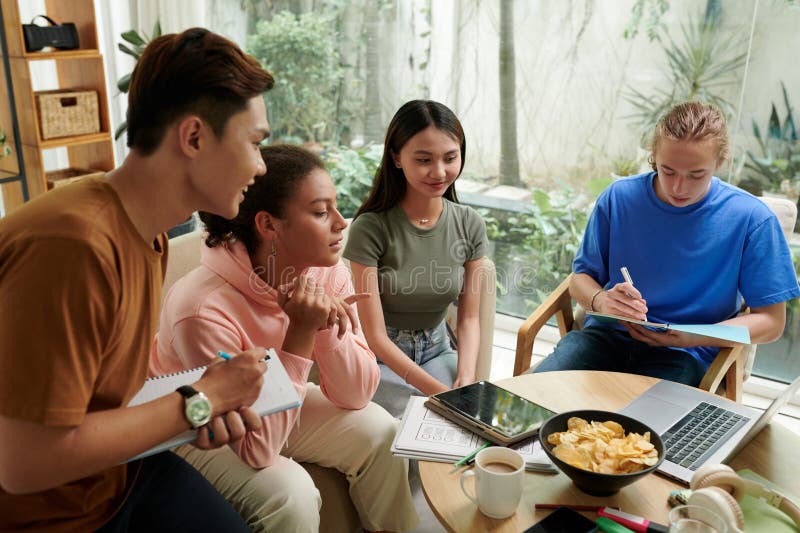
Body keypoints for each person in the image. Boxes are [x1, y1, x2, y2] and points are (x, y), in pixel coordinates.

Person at [0, 28, 276, 532]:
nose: (260, 167)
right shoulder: (74, 246)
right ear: (193, 137)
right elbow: (23, 464)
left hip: (118, 478)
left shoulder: (149, 233)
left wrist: (199, 407)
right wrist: (201, 401)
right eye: (255, 143)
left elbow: (99, 398)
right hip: (47, 515)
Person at [150, 144, 419, 532]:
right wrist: (301, 333)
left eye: (337, 207)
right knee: (290, 495)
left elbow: (357, 395)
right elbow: (258, 450)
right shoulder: (201, 310)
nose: (342, 223)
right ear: (268, 225)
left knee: (380, 430)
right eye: (321, 212)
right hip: (193, 423)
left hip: (266, 400)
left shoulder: (326, 271)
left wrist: (327, 332)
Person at [532, 101, 800, 385]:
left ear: (719, 163)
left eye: (696, 174)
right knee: (537, 396)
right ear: (653, 157)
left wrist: (694, 336)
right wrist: (601, 300)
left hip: (686, 354)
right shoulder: (619, 199)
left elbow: (771, 323)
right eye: (667, 170)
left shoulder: (752, 220)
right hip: (604, 340)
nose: (678, 188)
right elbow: (580, 279)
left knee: (648, 425)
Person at [344, 100, 488, 417]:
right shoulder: (370, 228)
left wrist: (465, 379)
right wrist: (440, 393)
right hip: (382, 359)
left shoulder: (469, 223)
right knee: (403, 434)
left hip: (438, 350)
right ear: (396, 157)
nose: (439, 172)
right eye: (424, 160)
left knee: (469, 427)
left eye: (450, 158)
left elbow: (469, 318)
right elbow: (376, 337)